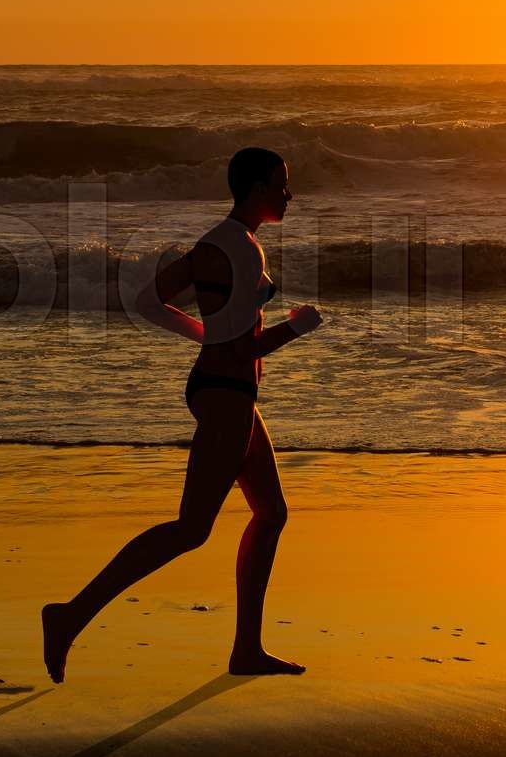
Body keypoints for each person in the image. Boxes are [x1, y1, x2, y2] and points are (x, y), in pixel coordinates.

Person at [41, 147, 323, 681]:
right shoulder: (242, 252)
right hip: (226, 393)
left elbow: (148, 302)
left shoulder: (215, 243)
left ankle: (246, 650)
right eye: (281, 185)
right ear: (257, 188)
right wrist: (298, 326)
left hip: (222, 389)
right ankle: (69, 616)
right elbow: (244, 351)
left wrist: (204, 336)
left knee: (271, 514)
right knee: (190, 529)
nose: (289, 195)